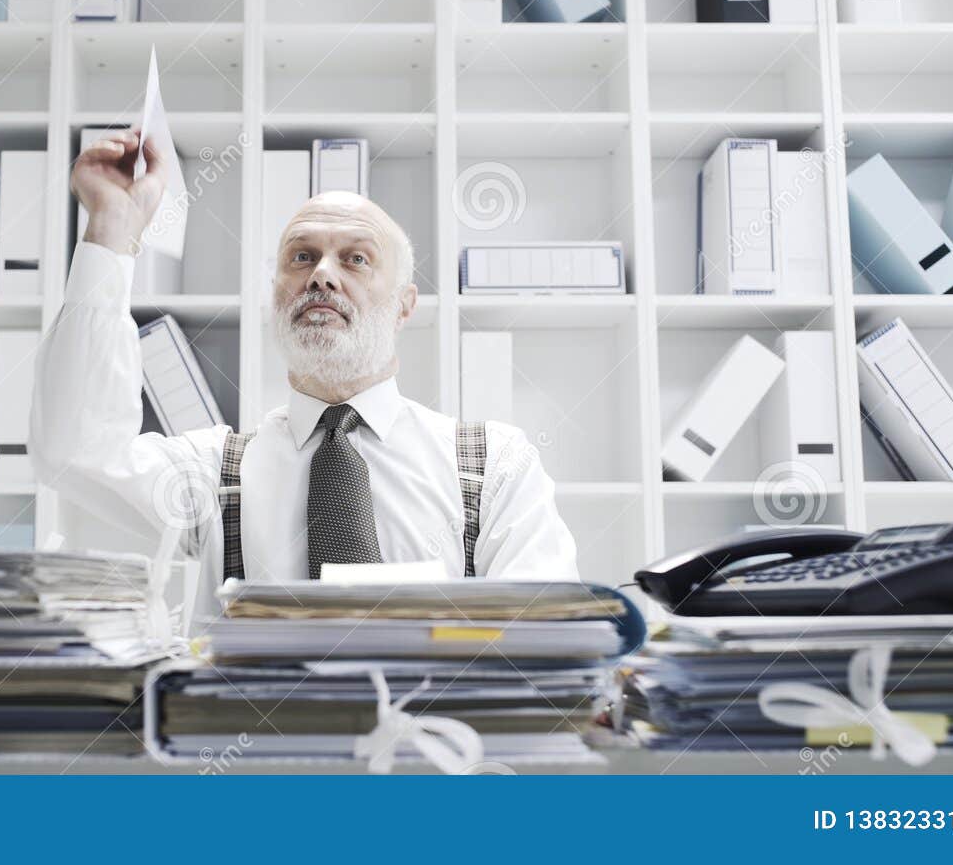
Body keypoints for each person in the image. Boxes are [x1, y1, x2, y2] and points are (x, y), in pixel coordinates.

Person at [30, 130, 579, 588]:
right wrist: (112, 229)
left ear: (404, 306)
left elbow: (545, 638)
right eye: (302, 256)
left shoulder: (495, 466)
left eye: (356, 259)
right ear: (276, 294)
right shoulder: (213, 473)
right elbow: (73, 451)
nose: (321, 274)